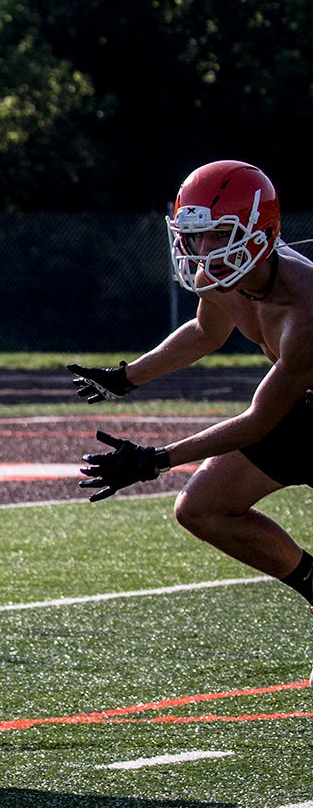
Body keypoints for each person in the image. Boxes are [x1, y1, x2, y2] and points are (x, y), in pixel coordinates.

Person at [72, 159, 313, 619]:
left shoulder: (307, 311)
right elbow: (206, 333)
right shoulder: (225, 272)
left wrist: (156, 460)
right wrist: (127, 377)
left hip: (290, 407)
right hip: (302, 408)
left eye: (218, 234)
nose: (202, 249)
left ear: (259, 232)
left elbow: (259, 421)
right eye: (195, 234)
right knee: (202, 508)